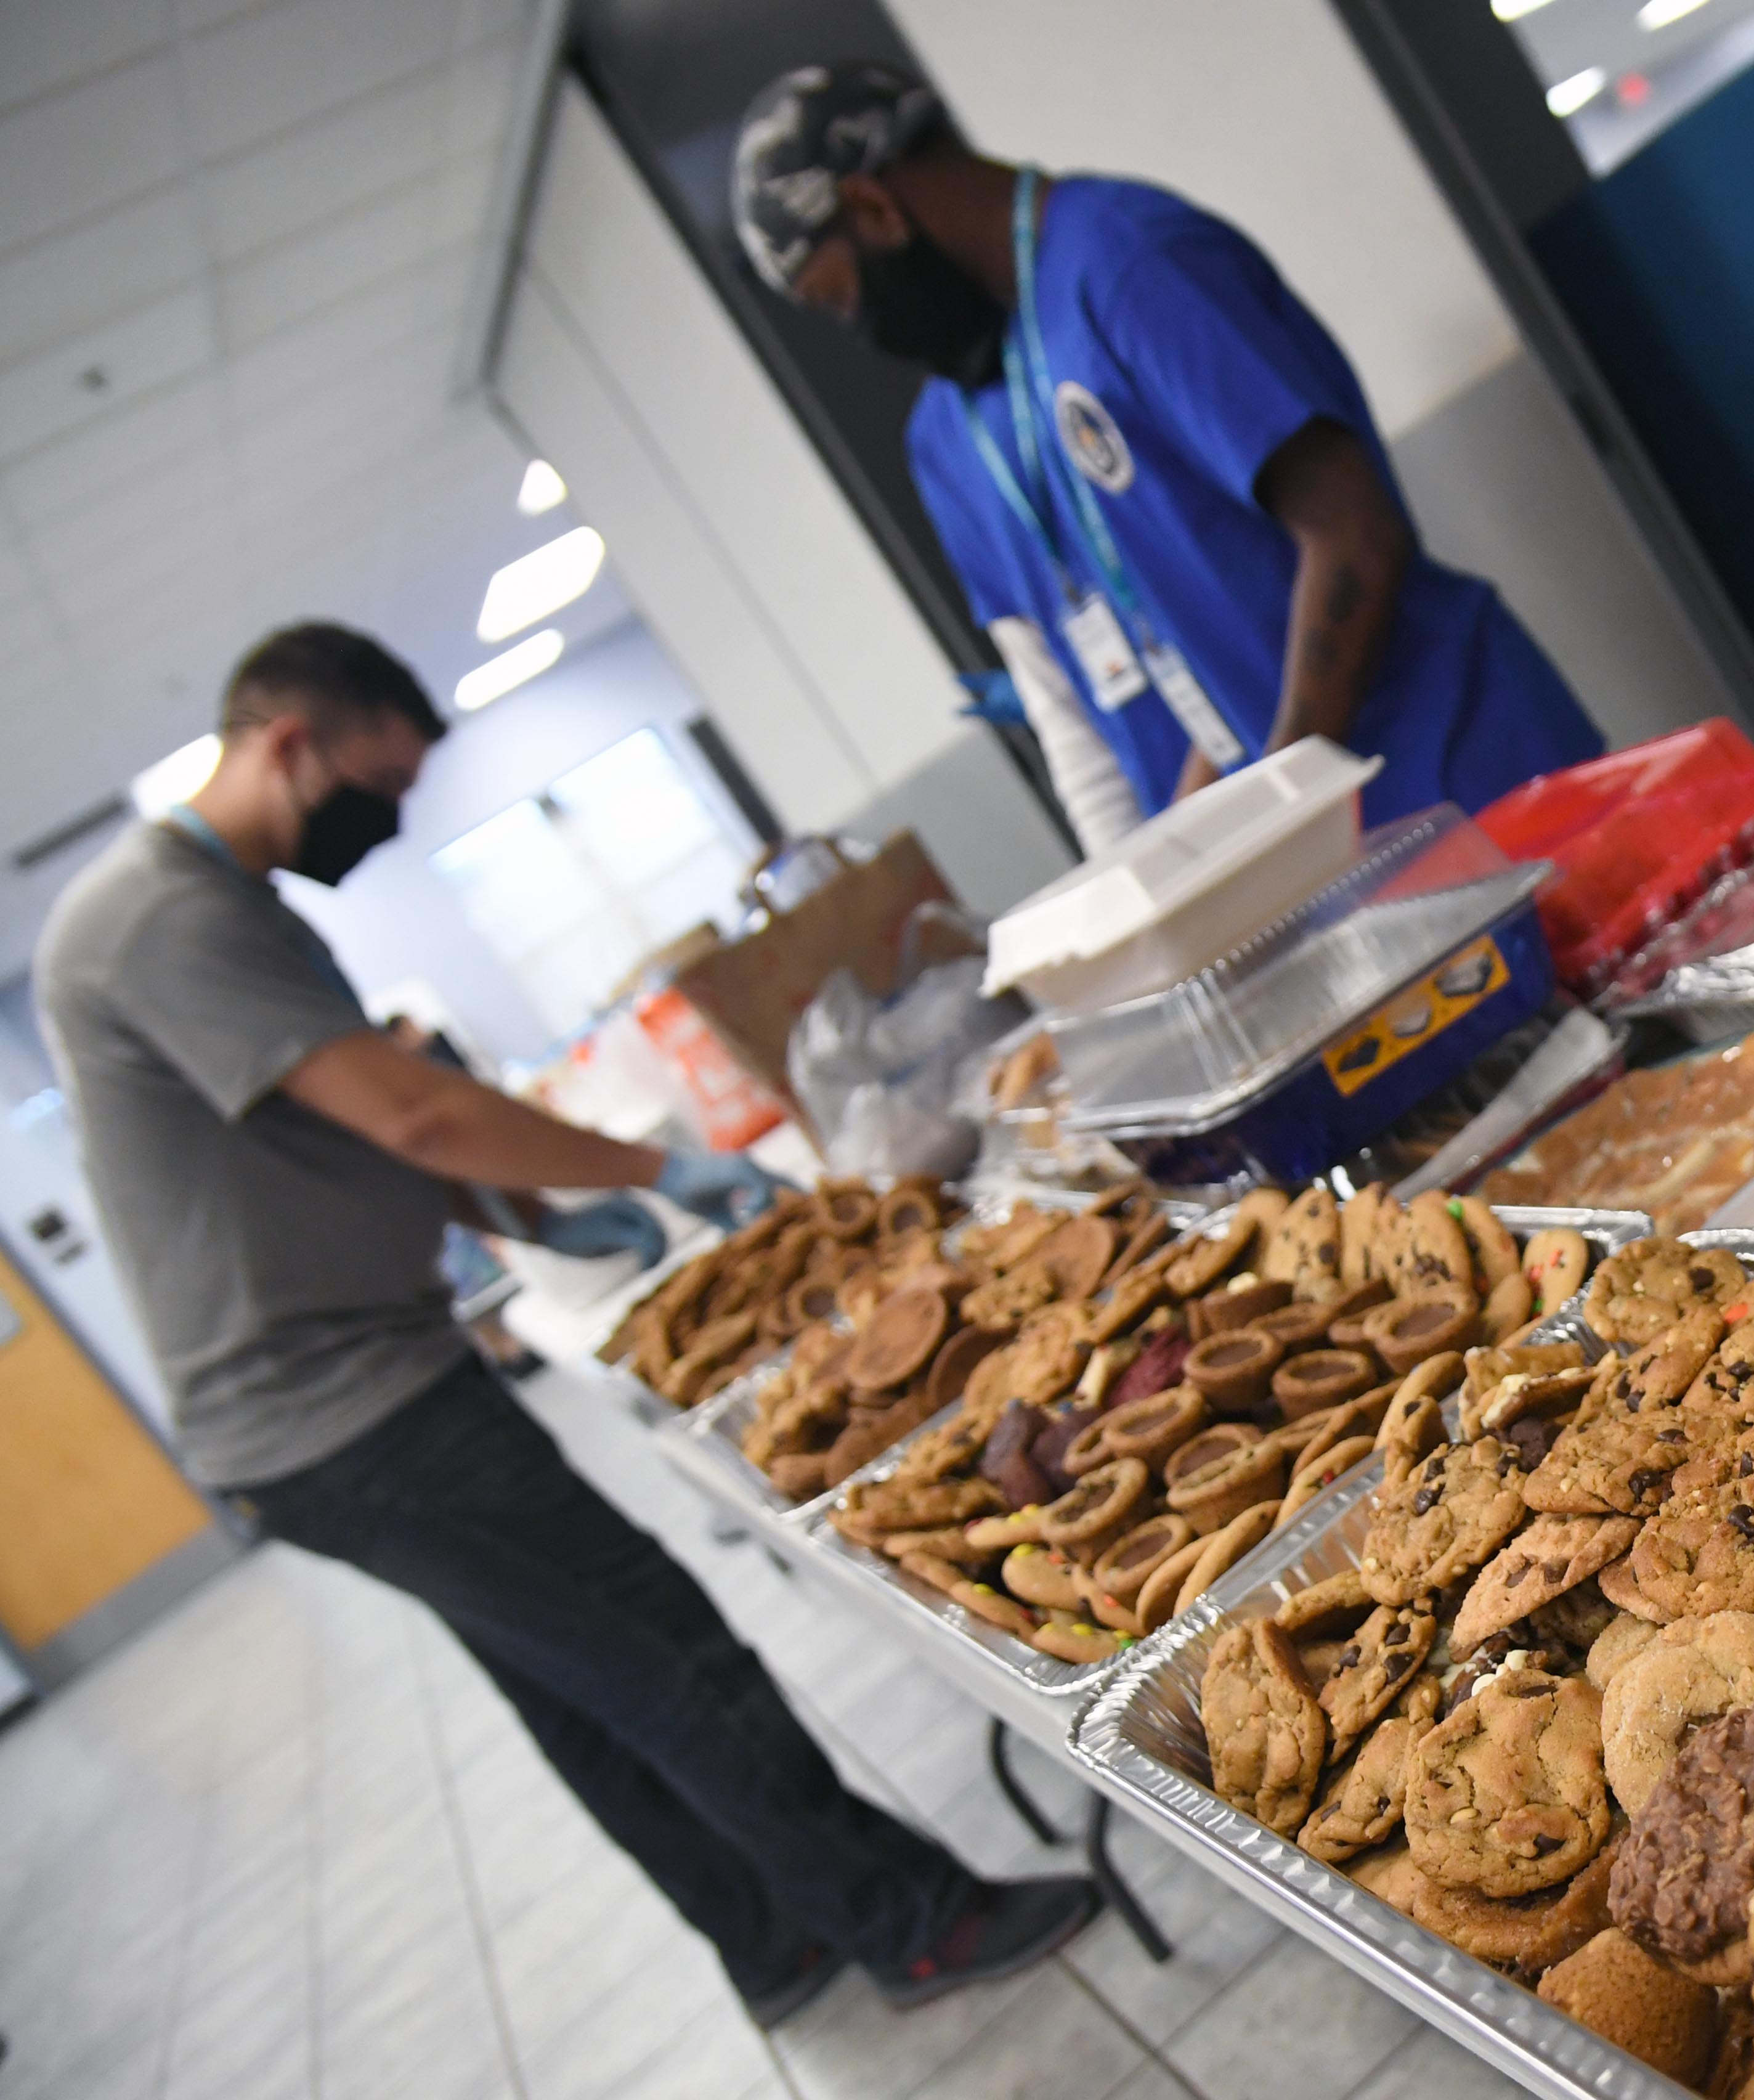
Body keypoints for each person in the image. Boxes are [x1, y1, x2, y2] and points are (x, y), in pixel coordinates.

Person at [33, 623, 1095, 2025]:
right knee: (657, 1650)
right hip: (352, 1411)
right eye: (381, 785)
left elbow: (353, 1142)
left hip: (334, 1408)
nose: (389, 820)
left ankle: (768, 1943)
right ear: (291, 742)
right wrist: (656, 1168)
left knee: (577, 1685)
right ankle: (913, 1922)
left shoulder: (236, 913)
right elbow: (409, 1110)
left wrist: (527, 1215)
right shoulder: (162, 915)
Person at [729, 61, 1604, 848]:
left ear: (876, 209)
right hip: (1371, 844)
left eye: (841, 299)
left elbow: (1353, 536)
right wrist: (1172, 865)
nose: (862, 330)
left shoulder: (1129, 261)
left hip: (1467, 777)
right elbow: (1206, 648)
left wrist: (1277, 809)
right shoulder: (1015, 357)